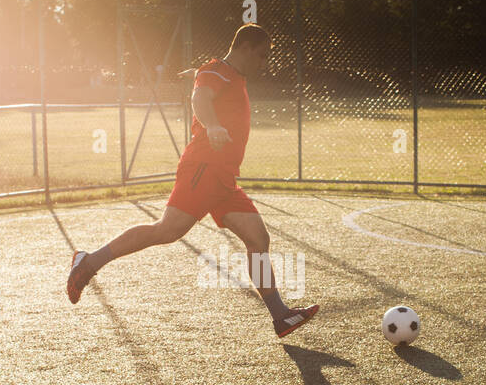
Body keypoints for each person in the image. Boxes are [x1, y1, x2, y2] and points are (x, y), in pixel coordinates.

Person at [66, 23, 320, 338]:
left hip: (223, 177)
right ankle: (88, 262)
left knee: (258, 238)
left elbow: (204, 83)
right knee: (167, 230)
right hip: (203, 167)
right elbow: (200, 98)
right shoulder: (218, 71)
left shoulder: (223, 72)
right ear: (244, 47)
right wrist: (211, 125)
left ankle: (280, 316)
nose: (264, 63)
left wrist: (197, 74)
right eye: (262, 55)